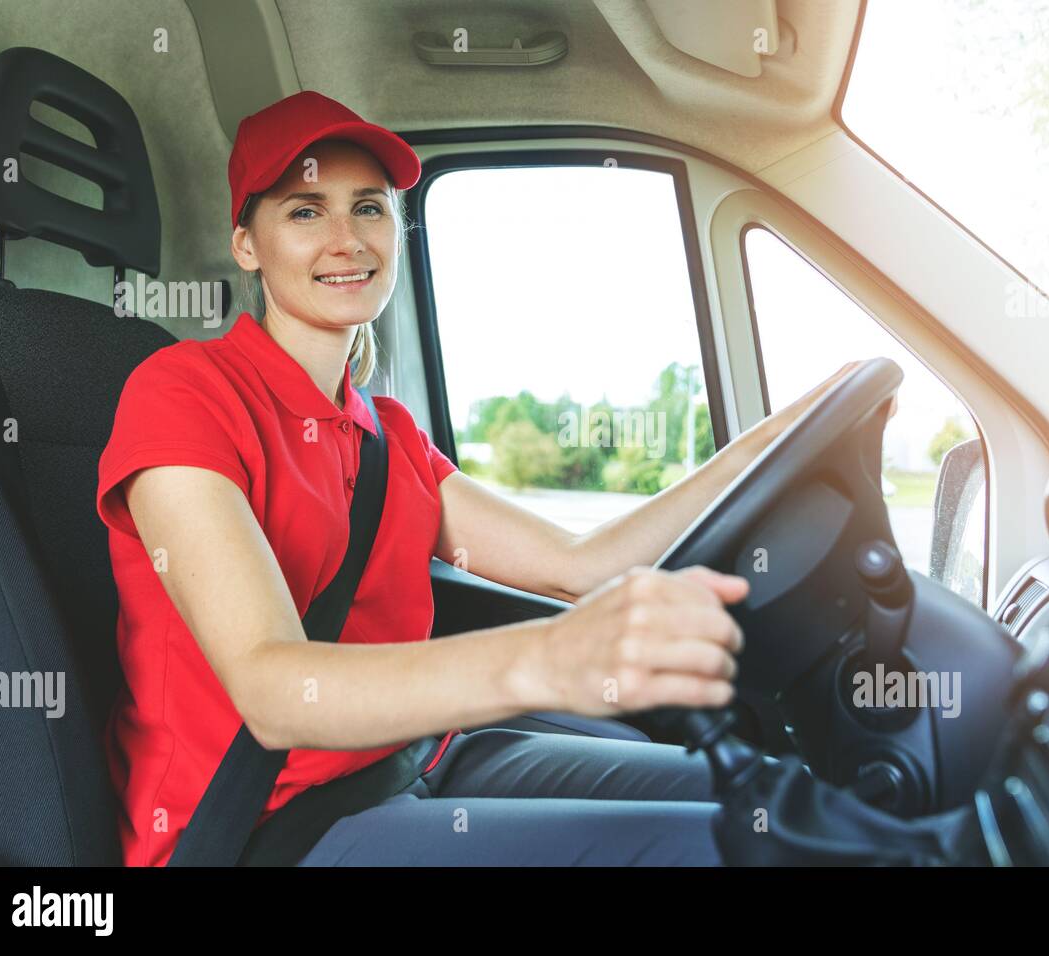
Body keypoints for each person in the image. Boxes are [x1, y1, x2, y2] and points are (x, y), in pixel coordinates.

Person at [95, 90, 858, 866]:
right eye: (303, 211)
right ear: (246, 244)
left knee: (769, 801)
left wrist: (778, 438)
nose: (346, 239)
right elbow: (273, 693)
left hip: (412, 764)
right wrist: (549, 658)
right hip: (264, 830)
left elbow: (580, 565)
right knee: (724, 851)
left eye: (368, 208)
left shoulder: (387, 433)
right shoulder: (183, 393)